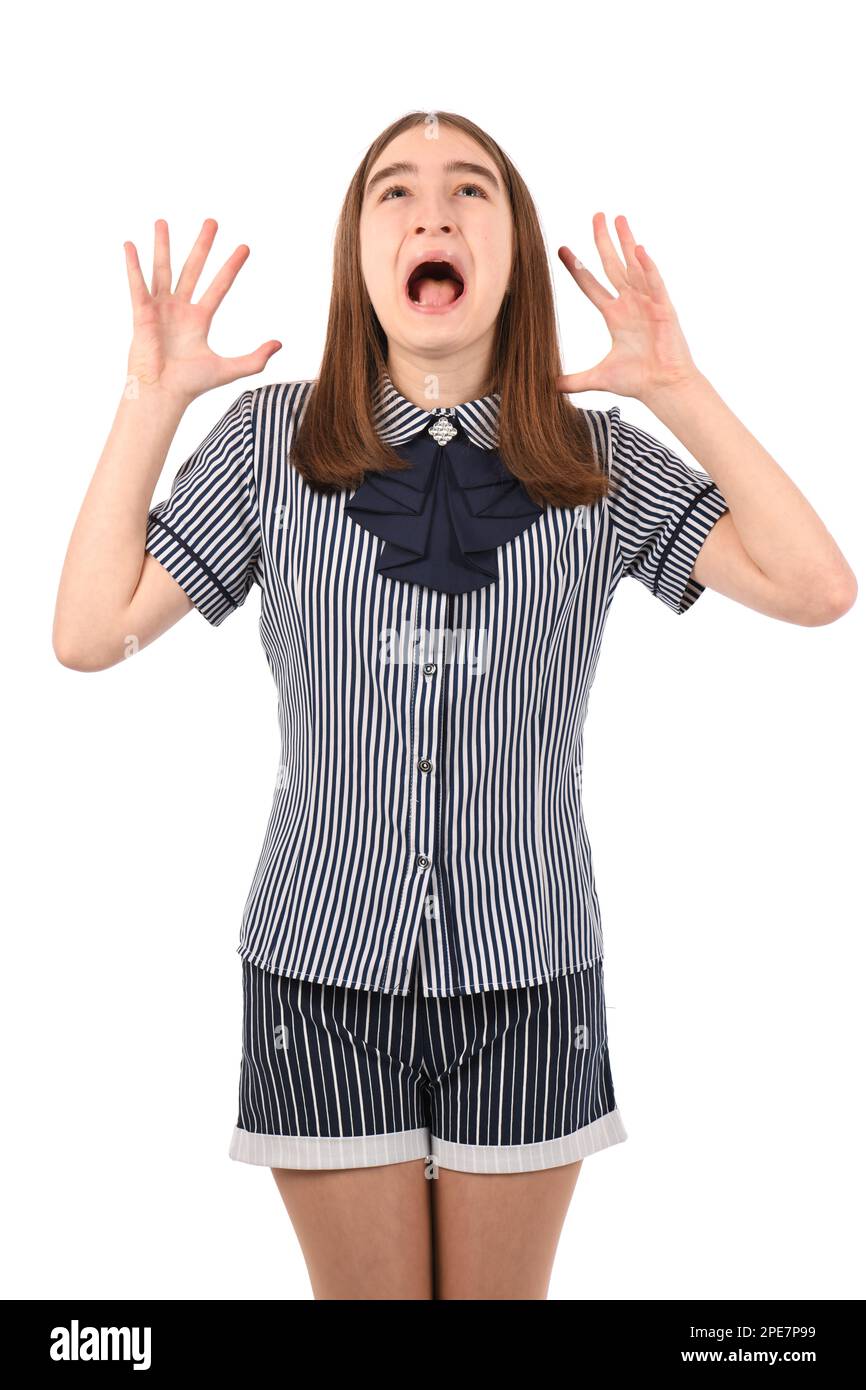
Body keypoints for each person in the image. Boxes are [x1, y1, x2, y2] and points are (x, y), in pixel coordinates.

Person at [52, 110, 857, 1301]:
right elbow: (88, 632)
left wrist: (678, 388)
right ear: (359, 255)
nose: (432, 210)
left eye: (469, 190)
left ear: (512, 257)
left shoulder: (598, 463)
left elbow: (814, 587)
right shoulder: (269, 445)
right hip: (317, 972)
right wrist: (150, 399)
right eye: (396, 191)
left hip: (529, 970)